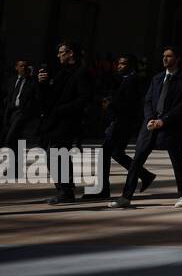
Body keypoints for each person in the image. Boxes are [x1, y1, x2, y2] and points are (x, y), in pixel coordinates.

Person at [113, 46, 182, 209]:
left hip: (170, 125)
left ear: (177, 59)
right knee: (137, 159)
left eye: (169, 56)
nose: (165, 59)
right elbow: (148, 100)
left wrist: (163, 120)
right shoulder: (157, 78)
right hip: (150, 125)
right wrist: (150, 119)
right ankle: (126, 196)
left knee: (177, 159)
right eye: (164, 56)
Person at [86, 55, 153, 200]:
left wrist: (110, 105)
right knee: (116, 153)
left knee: (105, 154)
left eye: (123, 64)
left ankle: (103, 190)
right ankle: (145, 175)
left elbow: (130, 104)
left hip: (122, 123)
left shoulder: (132, 80)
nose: (119, 66)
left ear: (131, 65)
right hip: (120, 122)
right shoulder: (122, 79)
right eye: (118, 64)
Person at [38, 41, 94, 203]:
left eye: (62, 52)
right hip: (55, 122)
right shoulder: (61, 73)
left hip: (68, 122)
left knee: (56, 155)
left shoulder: (82, 72)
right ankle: (65, 190)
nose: (58, 55)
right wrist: (42, 84)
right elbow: (48, 100)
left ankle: (65, 190)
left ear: (71, 54)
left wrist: (61, 110)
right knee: (56, 156)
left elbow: (85, 98)